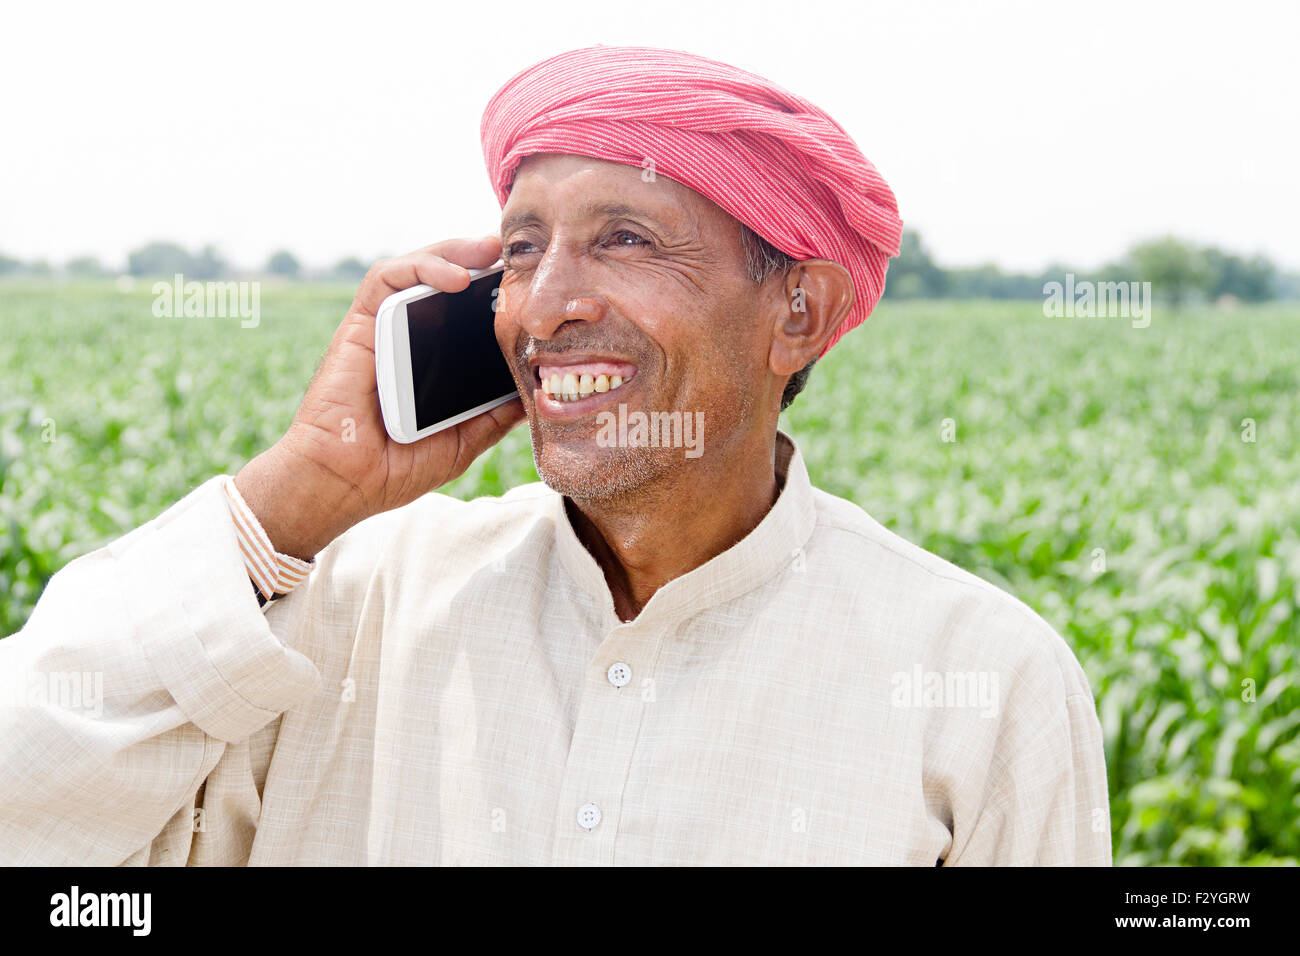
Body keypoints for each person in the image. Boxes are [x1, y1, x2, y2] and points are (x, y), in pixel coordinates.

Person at [0, 45, 1110, 865]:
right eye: (523, 248)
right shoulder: (355, 599)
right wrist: (297, 494)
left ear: (800, 312)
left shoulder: (984, 680)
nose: (547, 305)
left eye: (623, 238)